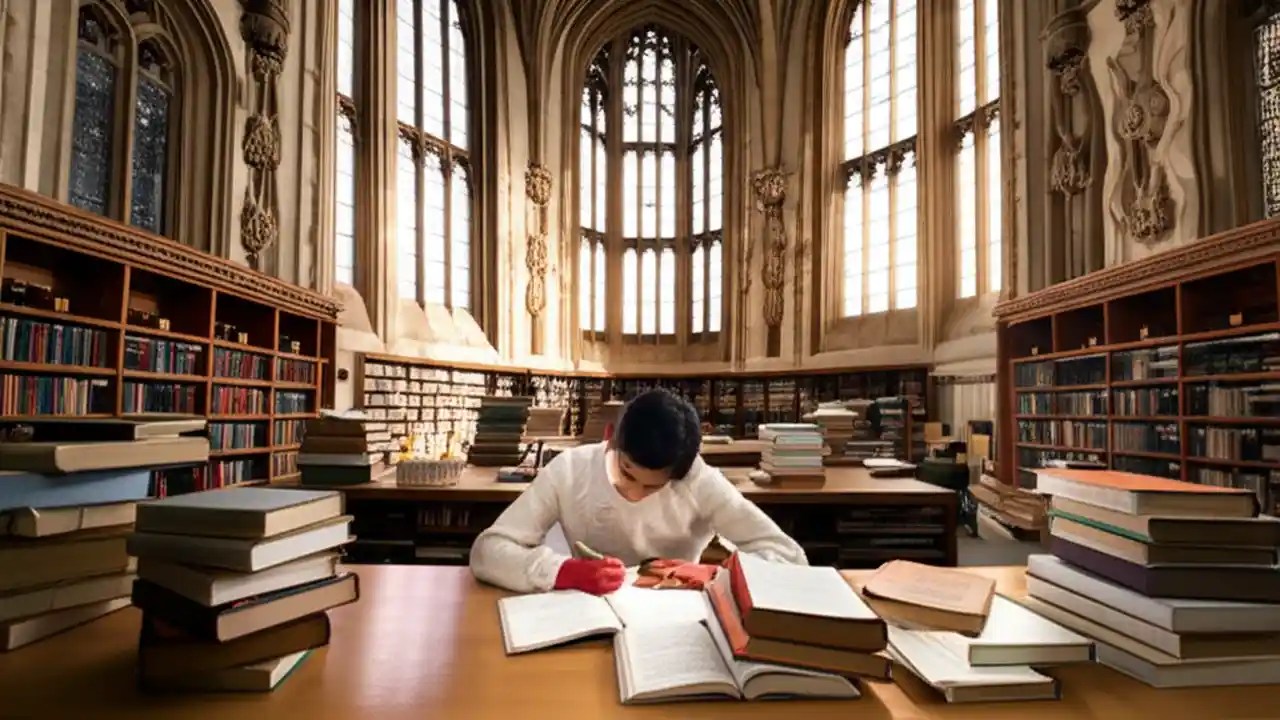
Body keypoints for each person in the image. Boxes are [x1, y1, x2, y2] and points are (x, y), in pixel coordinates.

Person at [469, 389, 808, 594]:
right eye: (626, 472)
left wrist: (714, 573)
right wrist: (561, 571)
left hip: (678, 625)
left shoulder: (697, 480)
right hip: (586, 616)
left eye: (654, 486)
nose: (635, 494)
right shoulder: (569, 469)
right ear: (610, 437)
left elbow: (789, 556)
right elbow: (488, 551)